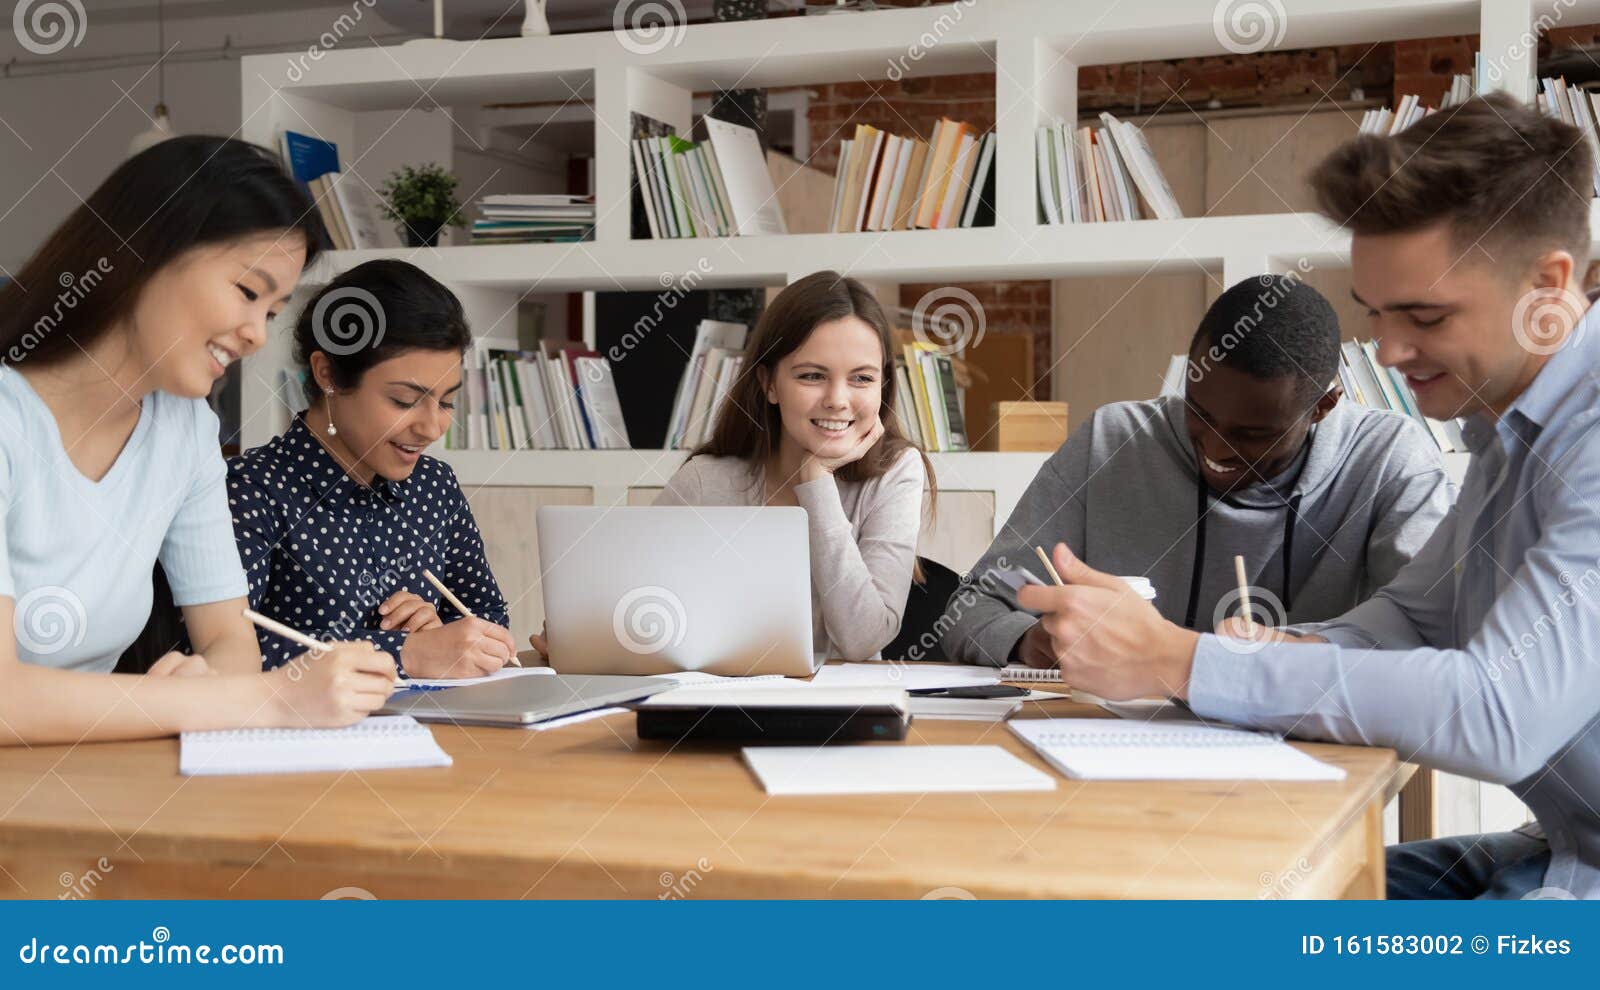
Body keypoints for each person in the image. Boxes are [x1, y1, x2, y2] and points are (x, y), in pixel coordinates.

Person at [1015, 93, 1600, 900]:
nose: (1389, 351)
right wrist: (1234, 653)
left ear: (1549, 283)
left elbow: (1499, 715)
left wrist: (1173, 659)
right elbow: (1411, 619)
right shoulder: (1508, 430)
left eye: (1425, 315)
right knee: (1235, 906)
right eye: (1378, 313)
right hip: (1562, 847)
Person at [0, 136, 396, 745]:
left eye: (272, 311)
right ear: (146, 252)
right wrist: (264, 700)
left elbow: (229, 637)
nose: (256, 335)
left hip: (75, 783)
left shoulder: (185, 430)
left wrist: (210, 686)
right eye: (248, 292)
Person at [941, 275, 1453, 667]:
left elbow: (1430, 637)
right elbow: (969, 607)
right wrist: (1031, 642)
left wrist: (1268, 655)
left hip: (1304, 760)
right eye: (1200, 413)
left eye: (1254, 434)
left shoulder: (1391, 461)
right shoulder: (1111, 441)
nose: (1215, 448)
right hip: (1115, 758)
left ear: (1324, 405)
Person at [533, 270, 931, 662]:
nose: (838, 399)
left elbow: (863, 640)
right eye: (812, 375)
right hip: (714, 705)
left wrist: (816, 481)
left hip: (843, 716)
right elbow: (632, 606)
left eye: (862, 378)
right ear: (769, 383)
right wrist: (588, 633)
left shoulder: (896, 471)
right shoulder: (707, 480)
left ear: (883, 386)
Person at [228, 260, 517, 679]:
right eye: (404, 400)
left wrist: (445, 633)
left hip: (436, 732)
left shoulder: (434, 486)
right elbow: (217, 654)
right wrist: (407, 651)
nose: (433, 426)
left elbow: (489, 622)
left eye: (448, 401)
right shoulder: (252, 490)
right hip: (300, 738)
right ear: (328, 374)